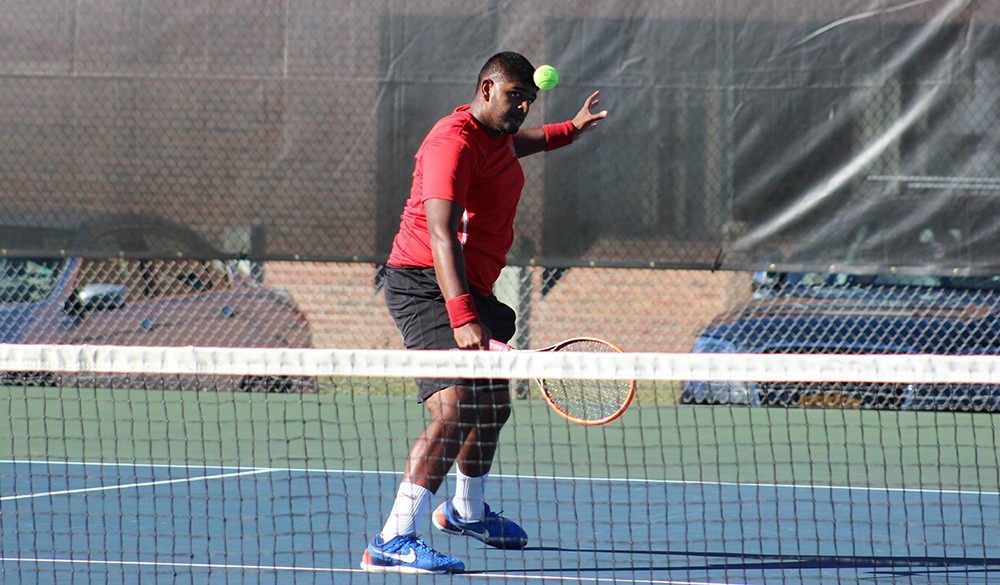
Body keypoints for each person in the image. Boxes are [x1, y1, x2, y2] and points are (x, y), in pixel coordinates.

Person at [360, 51, 608, 574]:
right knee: (453, 412)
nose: (522, 106)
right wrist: (461, 316)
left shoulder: (496, 137)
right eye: (514, 95)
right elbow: (439, 234)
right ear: (486, 87)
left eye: (529, 99)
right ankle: (392, 538)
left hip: (474, 287)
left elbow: (522, 143)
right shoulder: (451, 144)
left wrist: (571, 129)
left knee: (492, 407)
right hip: (426, 285)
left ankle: (465, 512)